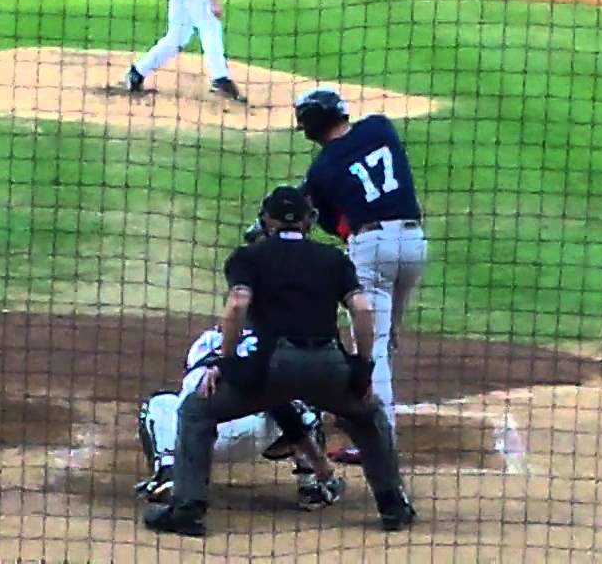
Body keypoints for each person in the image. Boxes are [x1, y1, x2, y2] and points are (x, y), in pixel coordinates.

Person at [142, 186, 415, 537]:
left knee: (197, 411)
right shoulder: (332, 258)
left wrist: (226, 363)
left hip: (270, 368)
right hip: (327, 364)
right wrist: (361, 367)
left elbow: (237, 306)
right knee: (367, 413)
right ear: (307, 220)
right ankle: (393, 507)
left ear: (266, 221)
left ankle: (188, 509)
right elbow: (362, 310)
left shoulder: (249, 257)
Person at [292, 87, 428, 465]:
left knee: (375, 344)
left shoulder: (320, 170)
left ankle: (379, 443)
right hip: (415, 242)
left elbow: (332, 224)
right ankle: (357, 407)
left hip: (372, 248)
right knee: (388, 334)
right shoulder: (380, 128)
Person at [135, 323, 345, 512]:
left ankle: (168, 472)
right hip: (253, 434)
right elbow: (280, 405)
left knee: (159, 403)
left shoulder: (204, 341)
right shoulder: (270, 344)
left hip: (193, 438)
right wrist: (319, 461)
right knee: (297, 392)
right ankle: (313, 485)